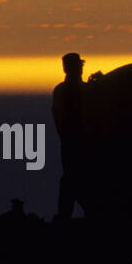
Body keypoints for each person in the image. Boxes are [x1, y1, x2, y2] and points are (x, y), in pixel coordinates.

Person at [52, 52, 87, 223]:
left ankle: (65, 216)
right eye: (78, 65)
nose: (80, 68)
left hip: (74, 143)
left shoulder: (63, 90)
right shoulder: (66, 91)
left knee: (72, 179)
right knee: (73, 179)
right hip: (75, 143)